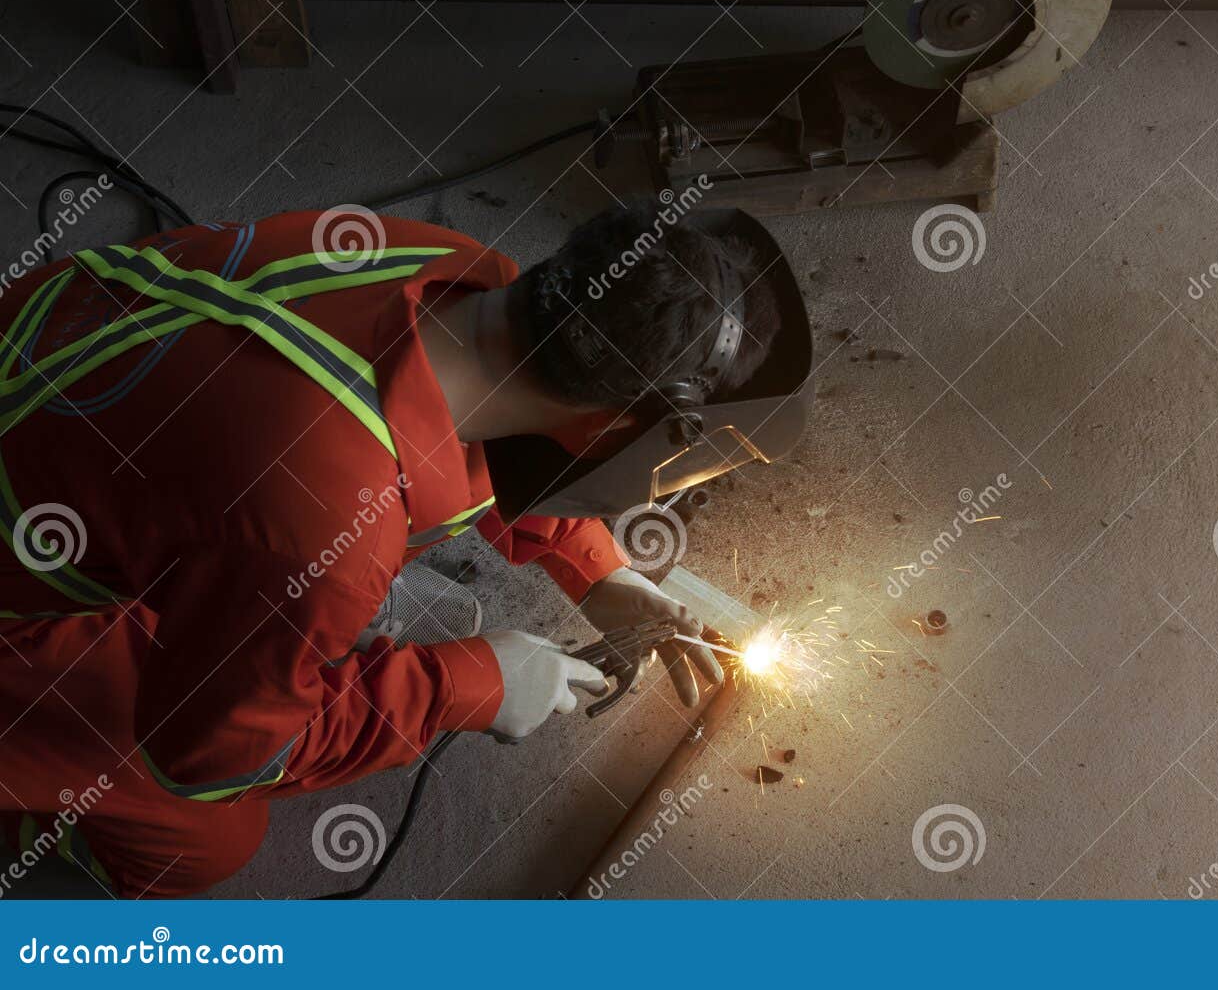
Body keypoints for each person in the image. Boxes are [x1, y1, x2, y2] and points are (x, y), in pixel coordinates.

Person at [0, 202, 810, 897]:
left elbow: (500, 432)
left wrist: (597, 571)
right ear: (606, 430)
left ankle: (274, 610)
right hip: (28, 599)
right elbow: (211, 756)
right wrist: (467, 684)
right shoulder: (321, 522)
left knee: (319, 583)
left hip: (63, 375)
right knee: (212, 835)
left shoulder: (453, 267)